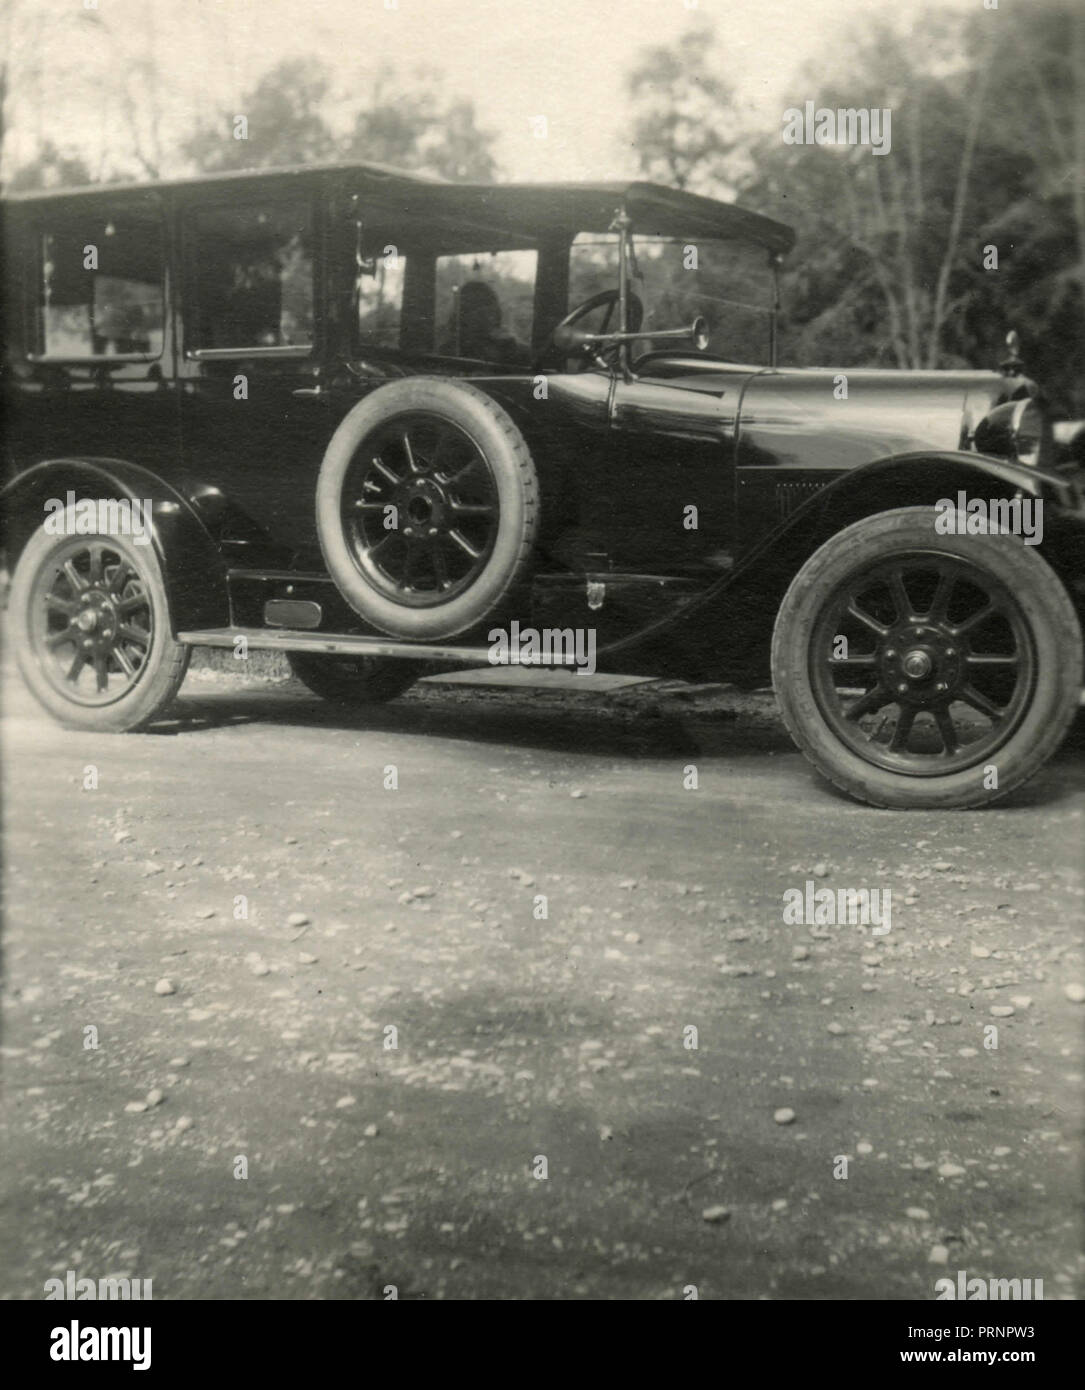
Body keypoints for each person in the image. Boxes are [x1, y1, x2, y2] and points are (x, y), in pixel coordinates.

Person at [441, 280, 530, 365]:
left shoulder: (509, 347)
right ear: (461, 316)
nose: (486, 316)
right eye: (475, 309)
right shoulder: (451, 351)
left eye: (489, 307)